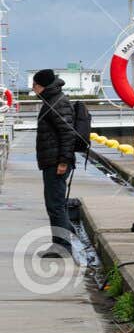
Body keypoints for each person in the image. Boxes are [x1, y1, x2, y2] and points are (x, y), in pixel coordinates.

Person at [32, 69, 77, 258]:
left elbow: (67, 134)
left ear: (42, 86)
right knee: (55, 203)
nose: (32, 88)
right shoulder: (53, 100)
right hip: (52, 161)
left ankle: (62, 246)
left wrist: (63, 162)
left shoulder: (56, 103)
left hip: (56, 163)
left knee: (55, 204)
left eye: (34, 85)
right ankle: (62, 240)